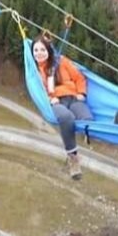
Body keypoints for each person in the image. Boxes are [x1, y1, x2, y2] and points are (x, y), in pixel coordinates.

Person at [31, 36, 92, 180]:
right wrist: (50, 99)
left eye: (42, 50)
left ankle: (115, 126)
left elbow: (79, 78)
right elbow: (39, 92)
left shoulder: (62, 62)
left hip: (73, 98)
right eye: (36, 50)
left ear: (49, 51)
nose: (39, 53)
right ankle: (73, 159)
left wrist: (81, 93)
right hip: (56, 103)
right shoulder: (36, 72)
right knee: (66, 117)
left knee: (88, 119)